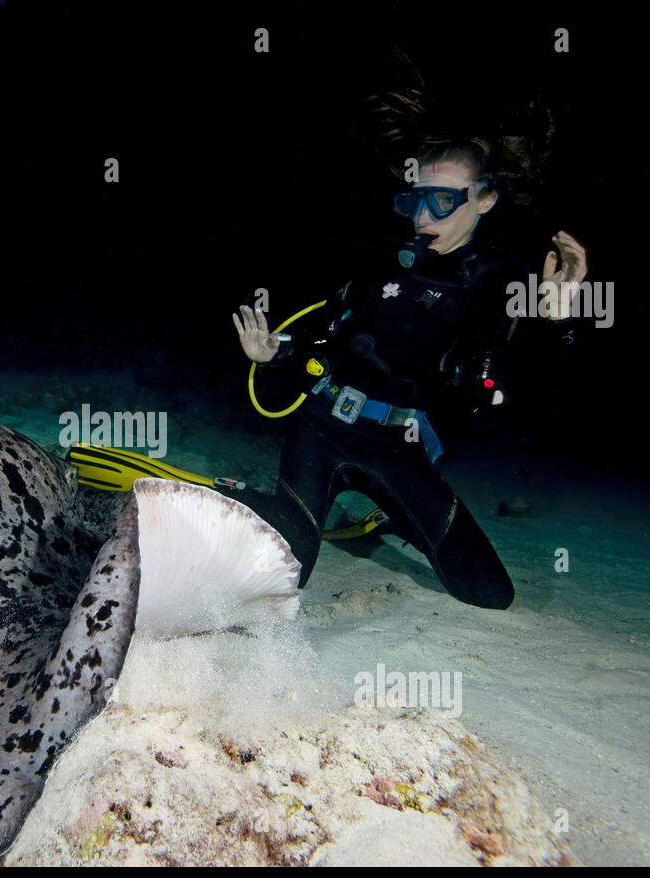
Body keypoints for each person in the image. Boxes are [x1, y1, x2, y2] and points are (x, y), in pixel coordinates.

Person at [228, 138, 588, 609]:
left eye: (442, 200)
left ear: (486, 198)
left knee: (490, 593)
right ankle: (252, 500)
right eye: (414, 199)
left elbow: (536, 398)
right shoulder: (378, 260)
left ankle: (391, 515)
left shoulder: (501, 283)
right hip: (321, 431)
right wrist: (274, 353)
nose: (423, 217)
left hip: (400, 448)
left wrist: (559, 322)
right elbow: (323, 342)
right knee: (283, 576)